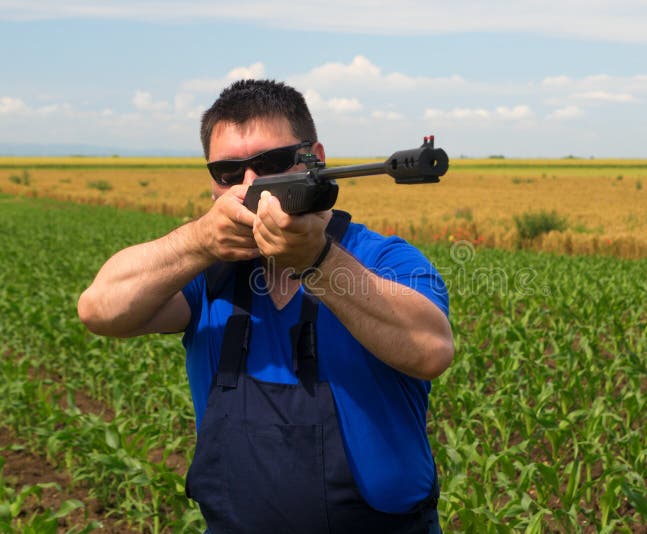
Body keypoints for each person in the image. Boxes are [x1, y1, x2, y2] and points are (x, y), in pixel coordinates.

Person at [77, 79, 454, 533]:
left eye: (272, 162)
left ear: (314, 157)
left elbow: (430, 349)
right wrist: (198, 241)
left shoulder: (382, 258)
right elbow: (99, 310)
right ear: (213, 182)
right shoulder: (209, 272)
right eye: (228, 172)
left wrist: (317, 262)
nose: (251, 184)